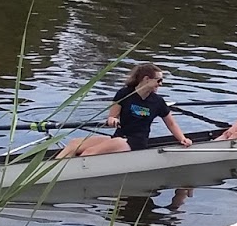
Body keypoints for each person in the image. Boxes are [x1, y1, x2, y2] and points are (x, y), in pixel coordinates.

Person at [55, 62, 192, 157]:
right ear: (146, 79)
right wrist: (112, 119)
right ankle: (51, 171)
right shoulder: (124, 94)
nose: (161, 84)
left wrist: (183, 139)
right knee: (74, 144)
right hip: (118, 137)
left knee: (89, 153)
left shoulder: (157, 102)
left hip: (136, 142)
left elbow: (171, 123)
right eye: (159, 80)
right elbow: (112, 117)